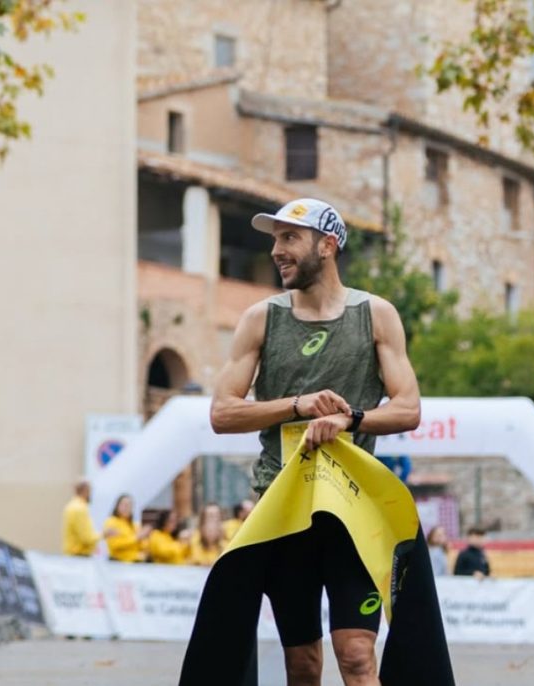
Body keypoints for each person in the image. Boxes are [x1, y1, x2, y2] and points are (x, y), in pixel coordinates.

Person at [208, 198, 426, 684]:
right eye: (274, 240)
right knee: (303, 663)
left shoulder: (377, 315)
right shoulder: (261, 318)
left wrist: (352, 419)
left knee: (356, 656)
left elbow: (409, 408)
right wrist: (297, 405)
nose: (276, 252)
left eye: (289, 238)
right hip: (285, 508)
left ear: (327, 245)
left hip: (353, 509)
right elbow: (222, 412)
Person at [103, 494, 150, 563]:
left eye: (129, 505)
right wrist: (136, 537)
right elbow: (115, 545)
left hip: (137, 562)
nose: (127, 507)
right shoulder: (111, 522)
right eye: (124, 504)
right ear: (117, 506)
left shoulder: (135, 525)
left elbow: (144, 546)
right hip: (119, 562)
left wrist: (146, 539)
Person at [62, 479, 102, 556]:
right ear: (85, 491)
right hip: (79, 556)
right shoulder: (80, 509)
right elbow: (86, 538)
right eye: (90, 491)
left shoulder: (71, 506)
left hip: (71, 554)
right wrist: (103, 534)